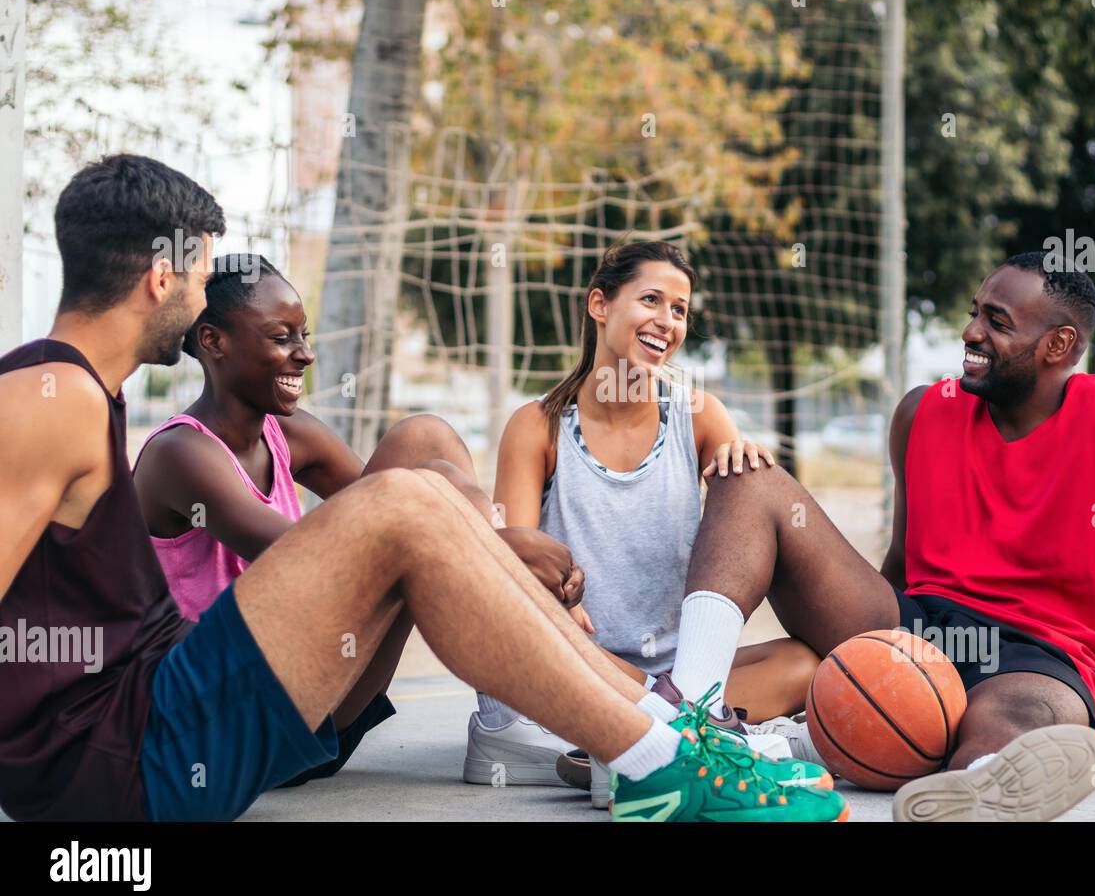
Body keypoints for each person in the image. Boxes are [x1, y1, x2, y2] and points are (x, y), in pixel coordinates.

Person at [0, 153, 842, 823]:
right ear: (161, 277)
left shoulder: (78, 393)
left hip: (154, 712)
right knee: (406, 500)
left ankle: (671, 742)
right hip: (123, 758)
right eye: (198, 277)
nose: (196, 299)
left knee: (421, 478)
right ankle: (663, 762)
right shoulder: (53, 397)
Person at [666, 250, 1095, 821]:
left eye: (997, 322)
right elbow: (900, 560)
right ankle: (685, 721)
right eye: (975, 314)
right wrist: (852, 662)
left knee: (1011, 723)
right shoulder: (921, 412)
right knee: (750, 477)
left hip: (1047, 657)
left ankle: (971, 788)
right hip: (915, 626)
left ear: (1059, 345)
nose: (971, 332)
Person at [133, 254, 575, 785]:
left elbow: (398, 508)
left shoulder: (288, 436)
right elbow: (321, 560)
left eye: (305, 334)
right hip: (237, 729)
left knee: (425, 442)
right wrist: (506, 548)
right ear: (213, 342)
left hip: (322, 704)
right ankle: (609, 706)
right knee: (428, 502)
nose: (306, 354)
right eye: (281, 337)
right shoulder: (181, 455)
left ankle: (506, 720)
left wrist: (491, 543)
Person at [483, 241, 818, 797]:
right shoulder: (537, 426)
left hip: (679, 677)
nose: (667, 321)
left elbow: (745, 532)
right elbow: (510, 571)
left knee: (804, 664)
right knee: (541, 639)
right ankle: (689, 735)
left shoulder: (698, 413)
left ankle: (659, 731)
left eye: (680, 310)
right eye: (651, 300)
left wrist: (747, 466)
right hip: (571, 661)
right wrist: (558, 599)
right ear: (600, 305)